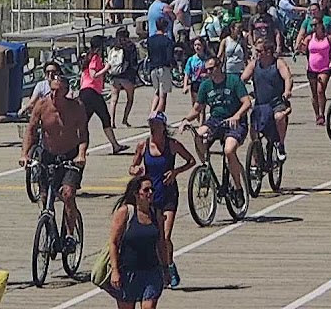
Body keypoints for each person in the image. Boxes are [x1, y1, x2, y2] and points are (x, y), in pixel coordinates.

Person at [20, 67, 89, 243]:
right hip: (48, 153)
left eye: (58, 91)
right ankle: (48, 226)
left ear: (66, 91)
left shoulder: (76, 107)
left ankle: (69, 234)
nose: (54, 94)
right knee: (45, 195)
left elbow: (83, 134)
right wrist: (25, 154)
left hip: (70, 155)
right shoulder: (42, 105)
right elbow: (31, 130)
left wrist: (81, 154)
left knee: (68, 194)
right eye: (52, 90)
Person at [128, 113, 195, 289]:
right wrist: (136, 170)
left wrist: (176, 172)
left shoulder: (172, 145)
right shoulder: (143, 146)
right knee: (156, 238)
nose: (153, 127)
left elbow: (191, 161)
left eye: (156, 124)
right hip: (150, 197)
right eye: (151, 123)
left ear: (163, 126)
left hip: (168, 195)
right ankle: (161, 268)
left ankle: (169, 267)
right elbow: (132, 167)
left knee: (165, 237)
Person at [178, 54, 251, 202]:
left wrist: (237, 116)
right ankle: (206, 168)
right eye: (207, 70)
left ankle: (238, 188)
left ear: (220, 67)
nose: (209, 72)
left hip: (234, 121)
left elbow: (247, 102)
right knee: (198, 135)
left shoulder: (233, 81)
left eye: (212, 69)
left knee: (229, 151)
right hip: (215, 120)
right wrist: (186, 120)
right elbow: (197, 108)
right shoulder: (205, 85)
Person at [106, 175, 169, 308]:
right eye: (146, 190)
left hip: (151, 271)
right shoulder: (125, 212)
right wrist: (115, 270)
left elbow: (161, 243)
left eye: (152, 189)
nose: (150, 193)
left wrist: (166, 268)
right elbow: (113, 242)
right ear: (136, 193)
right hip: (128, 272)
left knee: (149, 306)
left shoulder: (156, 213)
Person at [242, 38, 293, 161]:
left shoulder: (278, 63)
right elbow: (242, 78)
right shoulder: (254, 64)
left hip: (276, 103)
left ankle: (280, 144)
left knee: (279, 117)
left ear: (268, 52)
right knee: (253, 131)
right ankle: (256, 160)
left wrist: (287, 91)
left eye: (259, 51)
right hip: (260, 103)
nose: (257, 53)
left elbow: (288, 78)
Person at [82, 35, 129, 154]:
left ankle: (80, 147)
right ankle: (115, 145)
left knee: (84, 120)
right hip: (92, 92)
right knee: (105, 118)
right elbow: (93, 75)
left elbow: (83, 76)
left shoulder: (88, 57)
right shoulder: (95, 58)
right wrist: (107, 68)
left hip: (85, 91)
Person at [303, 16, 331, 125]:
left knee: (320, 90)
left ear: (321, 24)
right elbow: (305, 52)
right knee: (314, 93)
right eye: (312, 25)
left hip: (324, 68)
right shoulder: (309, 38)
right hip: (312, 68)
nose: (313, 27)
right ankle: (317, 114)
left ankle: (322, 114)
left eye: (315, 25)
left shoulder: (328, 38)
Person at [110, 27, 142, 128]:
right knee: (130, 98)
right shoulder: (130, 46)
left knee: (114, 99)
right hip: (127, 76)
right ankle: (124, 119)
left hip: (115, 75)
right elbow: (134, 62)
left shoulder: (114, 45)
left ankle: (111, 121)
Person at [145, 17, 176, 114]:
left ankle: (152, 112)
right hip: (164, 68)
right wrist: (173, 65)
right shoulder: (167, 41)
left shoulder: (150, 40)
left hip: (153, 68)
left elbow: (149, 54)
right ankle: (159, 116)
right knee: (163, 95)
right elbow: (169, 57)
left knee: (157, 92)